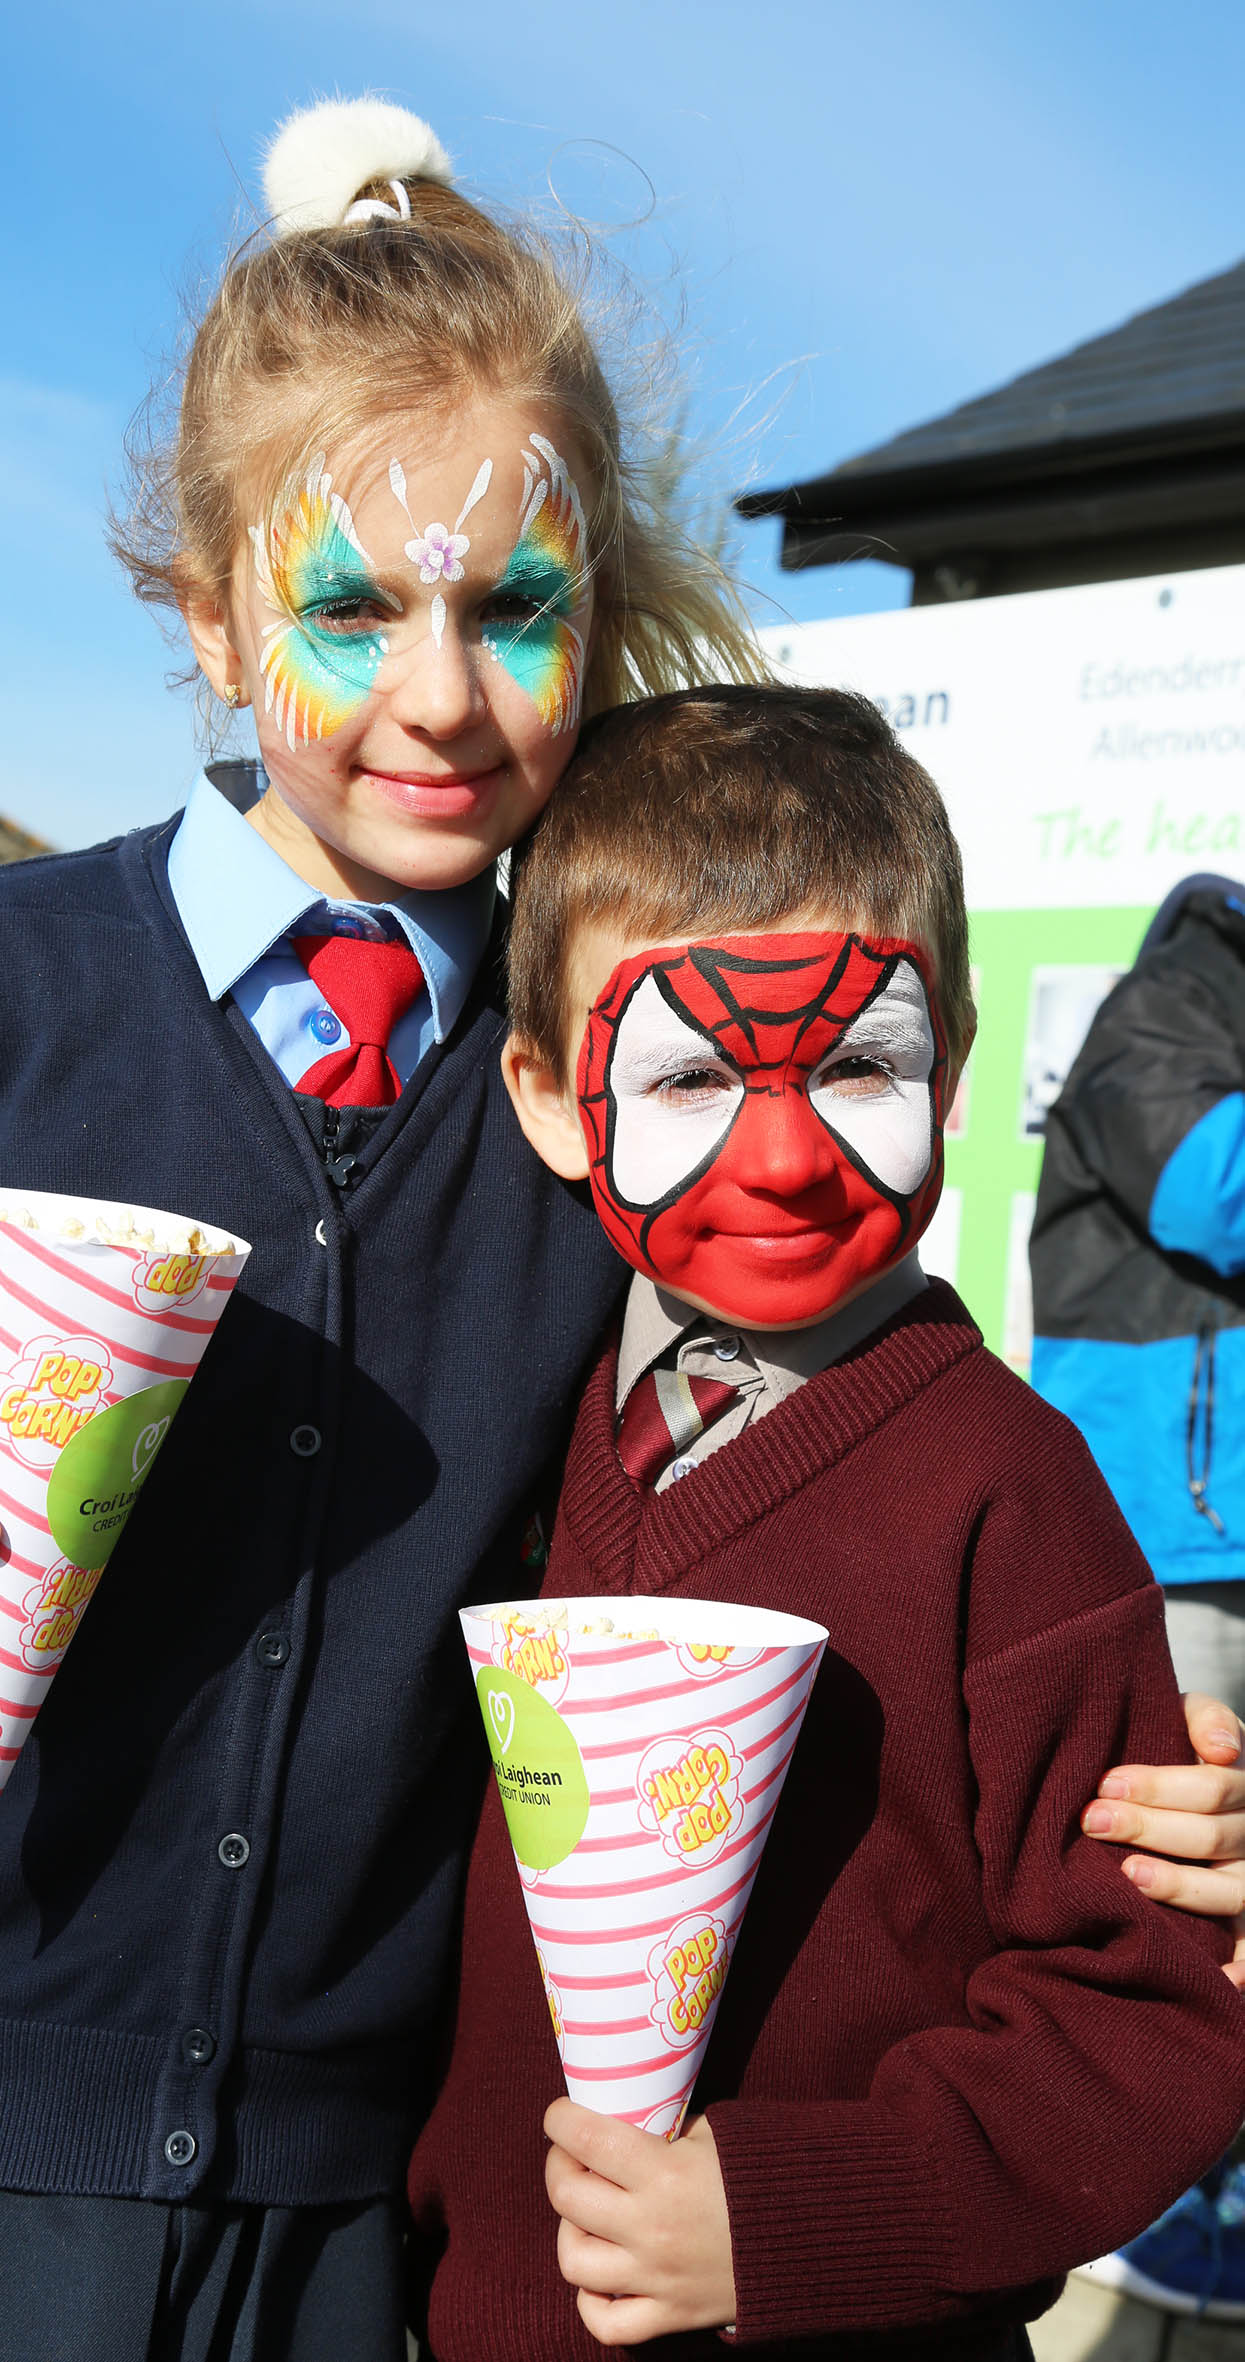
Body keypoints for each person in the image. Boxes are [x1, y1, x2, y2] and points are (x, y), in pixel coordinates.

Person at [0, 99, 760, 2362]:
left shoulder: (606, 1065)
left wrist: (1094, 1723)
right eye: (347, 604)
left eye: (513, 606)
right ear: (205, 609)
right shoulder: (10, 972)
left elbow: (795, 1433)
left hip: (331, 2190)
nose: (436, 689)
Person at [405, 684, 1245, 2360]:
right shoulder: (501, 1432)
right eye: (689, 1072)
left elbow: (1149, 2011)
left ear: (948, 1076)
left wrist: (796, 2213)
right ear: (555, 1099)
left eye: (856, 1060)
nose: (780, 1156)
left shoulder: (1012, 1496)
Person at [1032, 872, 1245, 2322]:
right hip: (1169, 1531)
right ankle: (1150, 2184)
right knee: (1165, 1872)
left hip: (1223, 1516)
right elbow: (1208, 1183)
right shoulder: (1177, 990)